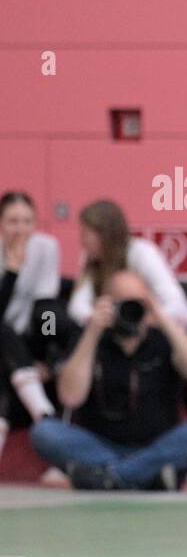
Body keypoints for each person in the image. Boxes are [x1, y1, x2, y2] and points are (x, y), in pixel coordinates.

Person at [30, 270, 187, 490]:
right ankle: (147, 477)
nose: (130, 310)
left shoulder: (163, 337)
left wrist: (163, 318)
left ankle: (111, 478)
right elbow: (70, 397)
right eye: (122, 303)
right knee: (44, 432)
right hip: (99, 448)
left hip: (159, 447)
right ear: (107, 304)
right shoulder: (90, 338)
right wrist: (92, 332)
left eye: (137, 303)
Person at [67, 200, 187, 330]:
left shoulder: (142, 253)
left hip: (152, 338)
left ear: (104, 233)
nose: (81, 241)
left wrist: (137, 320)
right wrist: (104, 319)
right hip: (110, 340)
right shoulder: (91, 261)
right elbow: (77, 309)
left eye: (85, 234)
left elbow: (181, 311)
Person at [0, 192, 61, 461]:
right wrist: (12, 270)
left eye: (27, 221)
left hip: (32, 337)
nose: (20, 229)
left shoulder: (46, 247)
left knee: (41, 318)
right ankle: (42, 410)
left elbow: (46, 307)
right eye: (13, 221)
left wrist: (45, 355)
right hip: (4, 336)